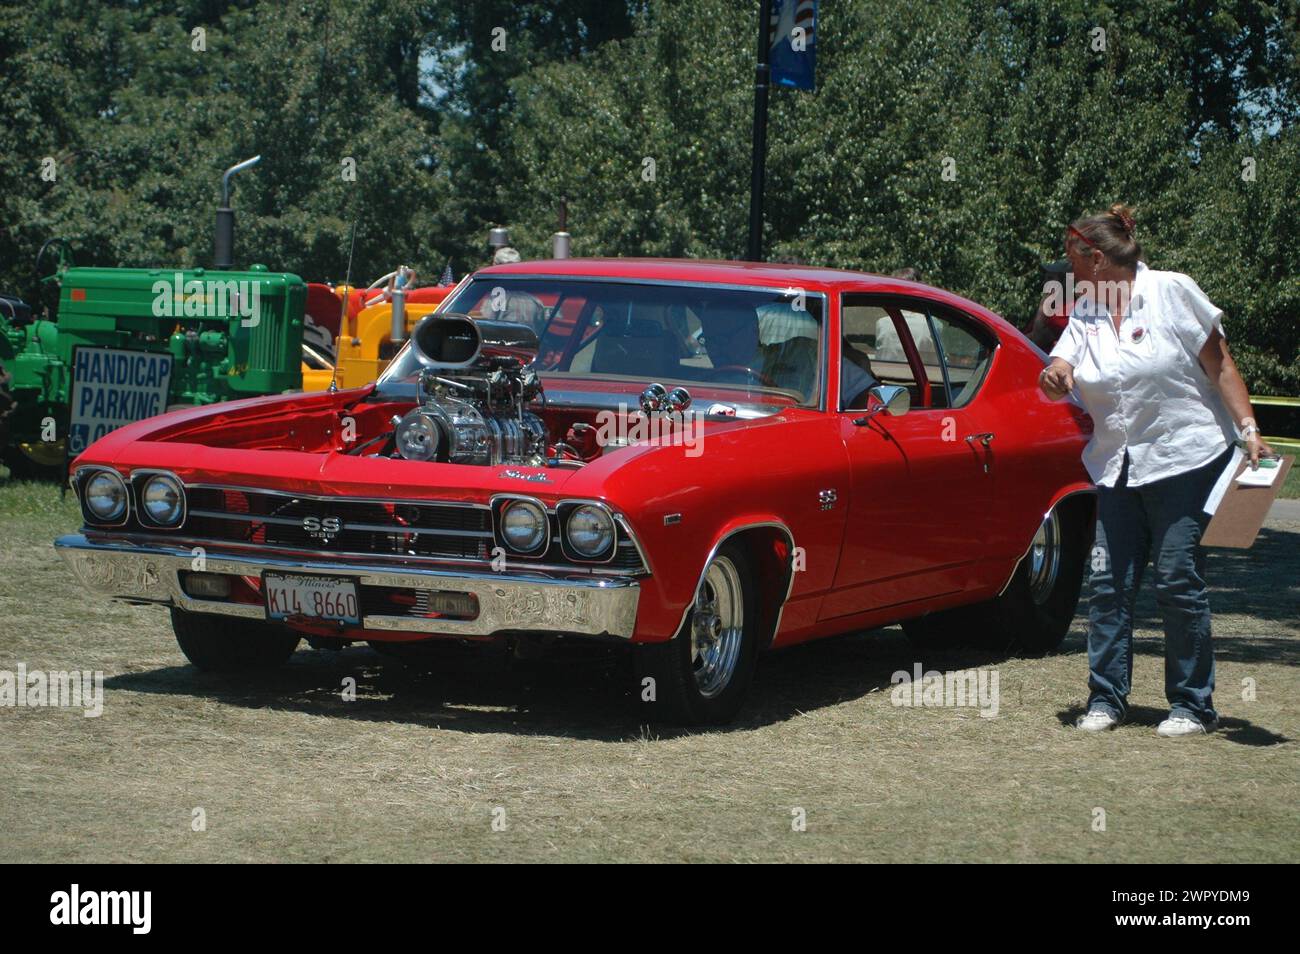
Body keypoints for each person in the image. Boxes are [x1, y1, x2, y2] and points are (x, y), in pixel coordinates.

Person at [1039, 203, 1273, 737]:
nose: (1067, 272)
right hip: (1117, 466)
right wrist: (1054, 377)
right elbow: (1060, 366)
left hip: (1184, 459)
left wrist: (1249, 428)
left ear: (1096, 258)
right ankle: (1106, 698)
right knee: (1108, 583)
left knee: (1176, 580)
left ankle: (1192, 705)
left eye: (1074, 261)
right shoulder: (1086, 309)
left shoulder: (1171, 290)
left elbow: (1221, 363)